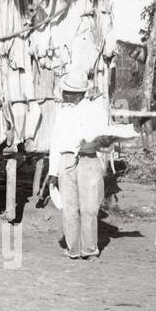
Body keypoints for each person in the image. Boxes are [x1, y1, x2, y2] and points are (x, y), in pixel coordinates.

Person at [47, 69, 110, 260]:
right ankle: (73, 248)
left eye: (67, 91)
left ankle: (89, 248)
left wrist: (90, 144)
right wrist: (53, 171)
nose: (64, 94)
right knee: (69, 207)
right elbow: (56, 142)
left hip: (88, 159)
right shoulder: (63, 113)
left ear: (77, 93)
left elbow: (102, 137)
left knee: (89, 207)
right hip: (66, 160)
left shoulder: (95, 110)